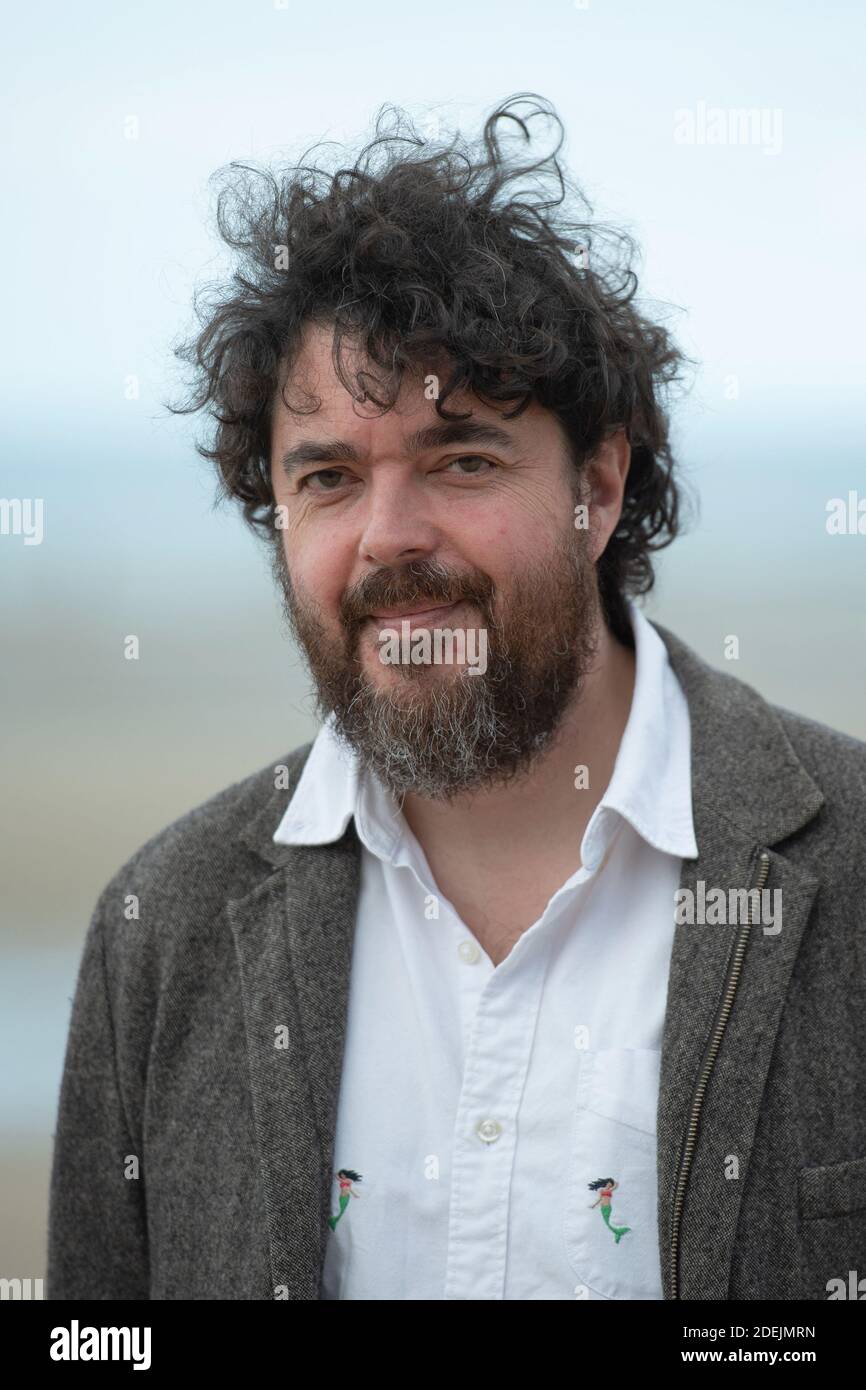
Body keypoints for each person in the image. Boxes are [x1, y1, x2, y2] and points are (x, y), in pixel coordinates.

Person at [47, 94, 866, 1301]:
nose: (387, 540)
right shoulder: (160, 929)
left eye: (461, 460)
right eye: (326, 477)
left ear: (595, 484)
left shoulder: (847, 861)